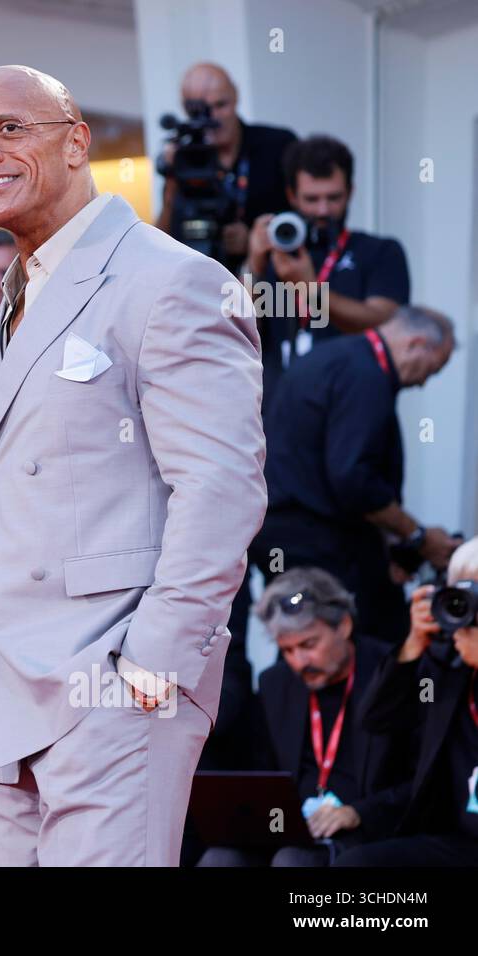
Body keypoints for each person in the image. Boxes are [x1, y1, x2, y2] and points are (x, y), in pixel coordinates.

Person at [0, 65, 265, 866]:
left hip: (113, 694)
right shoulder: (7, 305)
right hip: (11, 707)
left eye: (11, 128)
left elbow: (222, 490)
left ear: (78, 142)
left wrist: (151, 671)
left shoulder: (174, 280)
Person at [253, 305, 456, 643]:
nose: (423, 383)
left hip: (282, 532)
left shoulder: (335, 357)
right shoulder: (366, 374)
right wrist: (418, 536)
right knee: (365, 639)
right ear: (417, 344)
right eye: (433, 370)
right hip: (316, 541)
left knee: (303, 641)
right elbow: (353, 482)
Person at [199, 568, 411, 866]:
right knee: (220, 859)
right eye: (287, 650)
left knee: (292, 860)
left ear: (345, 626)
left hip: (364, 827)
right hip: (292, 825)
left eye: (309, 645)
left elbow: (419, 780)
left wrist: (358, 812)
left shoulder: (391, 673)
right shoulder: (276, 683)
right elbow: (262, 771)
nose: (299, 661)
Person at [336, 538, 478, 866]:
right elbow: (376, 720)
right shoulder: (448, 666)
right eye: (459, 594)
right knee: (355, 864)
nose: (466, 611)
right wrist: (413, 645)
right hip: (458, 842)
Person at [246, 135, 411, 403]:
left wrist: (311, 290)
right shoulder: (276, 251)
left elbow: (384, 322)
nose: (323, 210)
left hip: (352, 407)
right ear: (292, 196)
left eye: (334, 197)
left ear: (351, 192)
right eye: (311, 199)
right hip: (278, 413)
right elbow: (237, 329)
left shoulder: (381, 251)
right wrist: (253, 264)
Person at [156, 62, 297, 272]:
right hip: (200, 281)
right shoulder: (184, 159)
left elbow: (306, 219)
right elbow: (161, 243)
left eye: (220, 105)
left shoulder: (278, 145)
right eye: (199, 110)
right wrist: (171, 182)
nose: (213, 117)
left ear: (236, 96)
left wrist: (253, 239)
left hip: (271, 287)